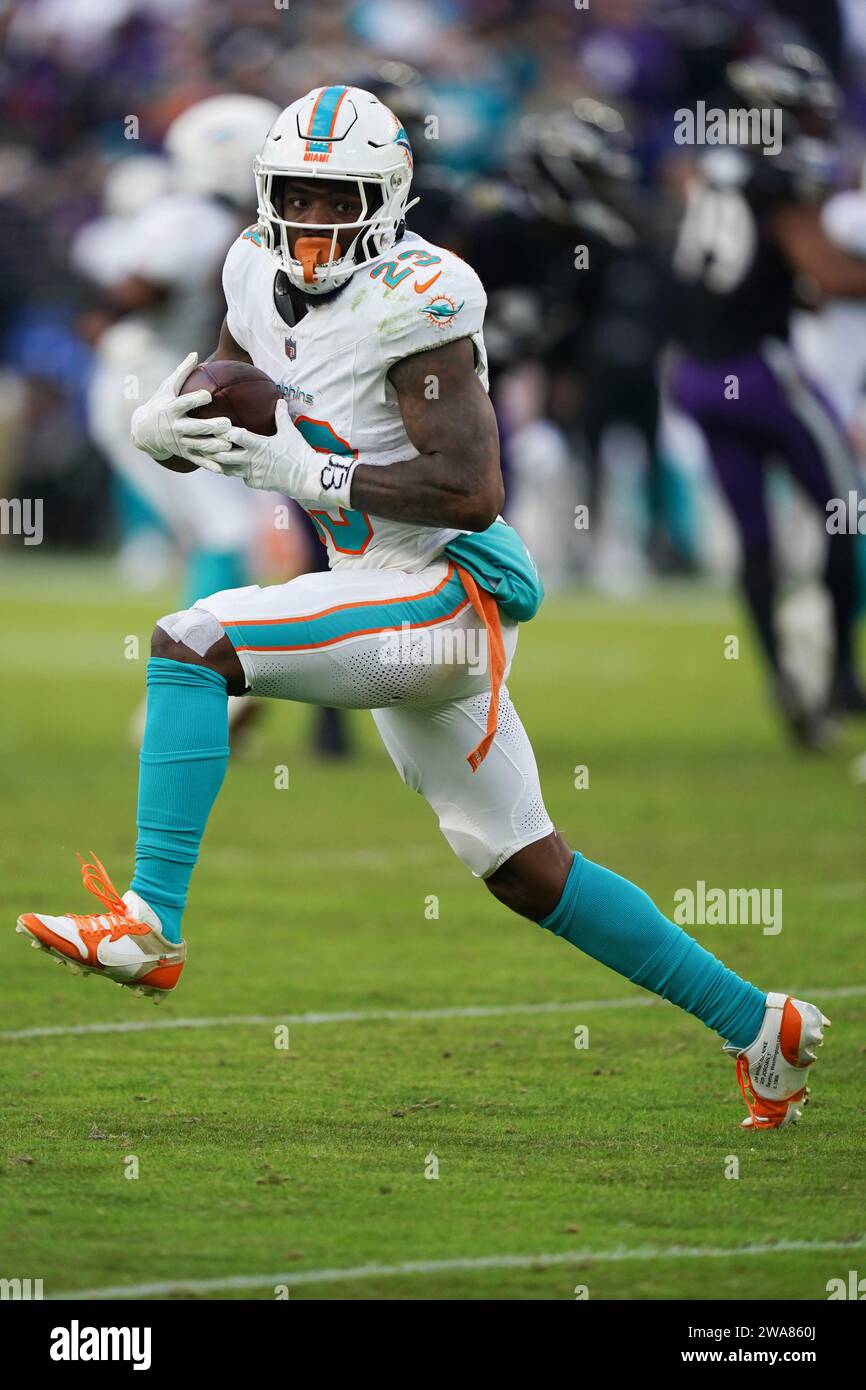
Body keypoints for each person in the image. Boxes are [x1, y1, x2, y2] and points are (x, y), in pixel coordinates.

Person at [16, 86, 828, 1131]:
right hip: (377, 584)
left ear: (385, 201)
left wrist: (305, 475)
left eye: (334, 200)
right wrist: (164, 418)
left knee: (194, 640)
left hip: (442, 588)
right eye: (295, 199)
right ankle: (762, 1026)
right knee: (527, 869)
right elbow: (232, 372)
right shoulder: (249, 268)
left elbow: (469, 491)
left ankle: (150, 924)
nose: (310, 225)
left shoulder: (421, 299)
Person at [670, 43, 866, 746]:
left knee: (756, 542)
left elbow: (739, 265)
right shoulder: (775, 176)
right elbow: (828, 272)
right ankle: (842, 675)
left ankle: (787, 684)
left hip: (696, 375)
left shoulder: (710, 166)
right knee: (849, 510)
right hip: (761, 373)